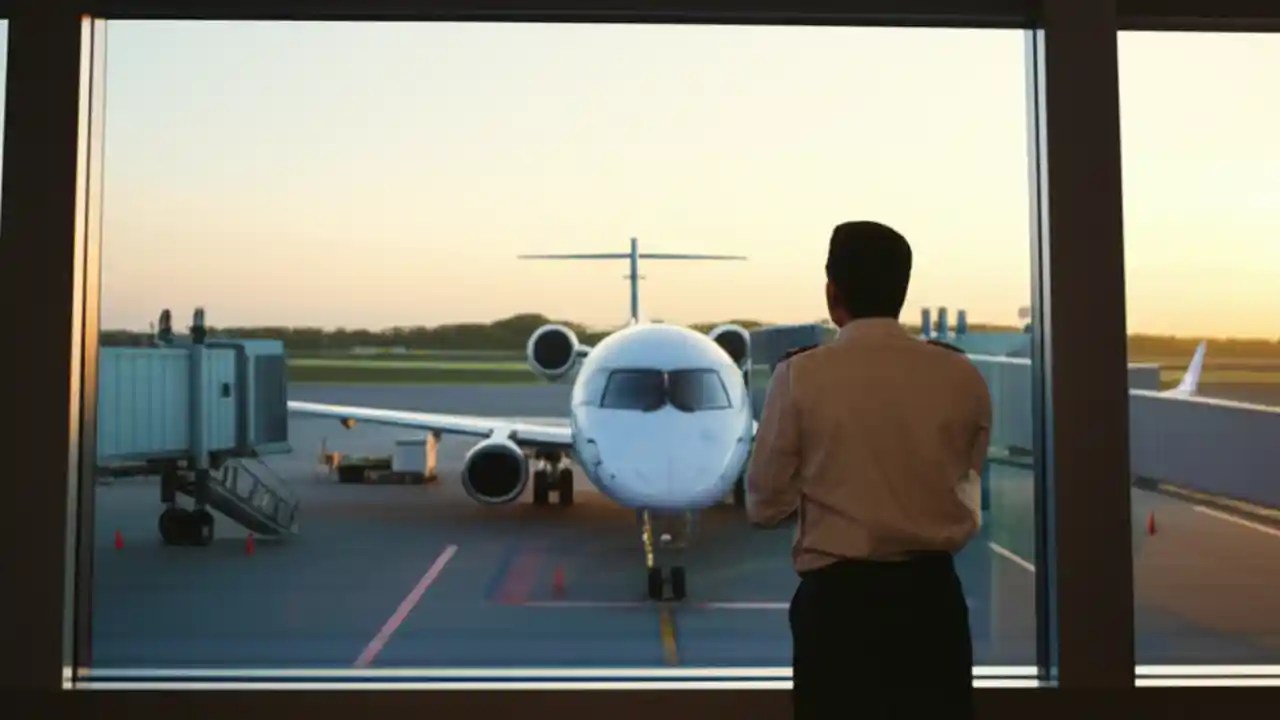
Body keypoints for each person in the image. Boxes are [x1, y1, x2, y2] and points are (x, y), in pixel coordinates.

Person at [745, 220, 991, 719]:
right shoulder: (961, 374)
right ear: (901, 291)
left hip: (839, 613)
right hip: (932, 607)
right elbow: (966, 481)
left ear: (833, 292)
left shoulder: (799, 376)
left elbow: (763, 505)